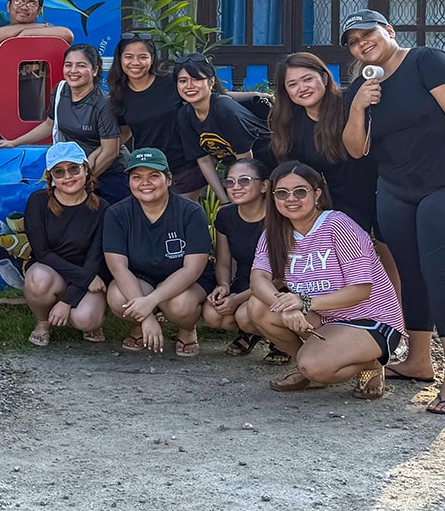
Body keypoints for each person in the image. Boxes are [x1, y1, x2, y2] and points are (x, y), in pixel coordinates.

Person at [341, 9, 445, 415]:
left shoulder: (427, 61)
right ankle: (420, 360)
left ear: (388, 31)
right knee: (409, 271)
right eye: (353, 41)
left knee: (441, 272)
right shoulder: (363, 86)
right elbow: (355, 149)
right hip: (396, 189)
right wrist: (358, 107)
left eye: (367, 34)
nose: (361, 44)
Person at [245, 161, 405, 400]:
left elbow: (361, 291)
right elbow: (258, 279)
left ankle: (369, 363)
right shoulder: (275, 232)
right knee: (258, 307)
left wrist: (304, 303)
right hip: (326, 318)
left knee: (316, 365)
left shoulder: (338, 225)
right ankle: (308, 367)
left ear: (317, 193)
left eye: (300, 191)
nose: (291, 199)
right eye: (282, 193)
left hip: (368, 319)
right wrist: (286, 306)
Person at [271, 51, 394, 289]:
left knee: (390, 260)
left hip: (382, 190)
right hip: (338, 200)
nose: (302, 88)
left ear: (325, 78)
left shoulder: (351, 102)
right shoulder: (290, 124)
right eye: (292, 84)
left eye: (308, 79)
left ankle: (398, 320)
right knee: (346, 265)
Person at [103, 148, 214, 356]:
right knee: (118, 297)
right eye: (137, 177)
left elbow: (193, 269)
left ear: (169, 179)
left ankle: (187, 328)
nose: (145, 183)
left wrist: (150, 301)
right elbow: (118, 267)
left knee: (180, 305)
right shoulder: (117, 213)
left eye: (154, 176)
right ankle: (139, 324)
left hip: (186, 280)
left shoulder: (190, 212)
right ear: (129, 182)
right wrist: (147, 317)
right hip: (142, 278)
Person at [0, 44, 126, 205]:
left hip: (107, 175)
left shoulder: (103, 104)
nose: (73, 71)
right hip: (74, 173)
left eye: (81, 66)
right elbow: (50, 124)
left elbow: (109, 152)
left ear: (95, 70)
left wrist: (83, 183)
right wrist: (14, 142)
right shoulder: (61, 91)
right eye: (68, 65)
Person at [22, 142, 108, 346]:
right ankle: (43, 322)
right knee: (37, 278)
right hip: (58, 273)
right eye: (59, 172)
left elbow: (95, 259)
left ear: (86, 169)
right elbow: (42, 253)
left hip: (89, 274)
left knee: (86, 319)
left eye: (74, 169)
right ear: (51, 178)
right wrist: (86, 279)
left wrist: (67, 301)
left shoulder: (103, 209)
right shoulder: (38, 202)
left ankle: (90, 318)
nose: (67, 176)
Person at [109, 34, 206, 195]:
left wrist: (254, 97)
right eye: (128, 57)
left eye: (142, 57)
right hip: (147, 173)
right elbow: (124, 132)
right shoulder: (119, 94)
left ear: (152, 59)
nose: (135, 63)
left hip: (183, 170)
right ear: (119, 59)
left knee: (182, 219)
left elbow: (206, 99)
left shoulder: (171, 82)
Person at [174, 54, 274, 206]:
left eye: (197, 79)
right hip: (246, 177)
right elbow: (204, 160)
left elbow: (246, 159)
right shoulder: (185, 115)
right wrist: (225, 201)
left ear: (211, 82)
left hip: (272, 170)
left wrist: (246, 201)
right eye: (183, 81)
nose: (189, 86)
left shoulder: (225, 111)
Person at [201, 158, 276, 360]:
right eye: (230, 182)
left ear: (264, 186)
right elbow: (224, 261)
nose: (236, 187)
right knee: (212, 313)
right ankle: (254, 332)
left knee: (244, 315)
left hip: (276, 285)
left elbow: (282, 274)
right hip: (245, 280)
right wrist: (224, 286)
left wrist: (237, 300)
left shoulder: (278, 217)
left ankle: (281, 342)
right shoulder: (226, 216)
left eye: (244, 180)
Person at [0, 0, 73, 53]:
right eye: (18, 2)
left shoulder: (46, 30)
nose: (24, 7)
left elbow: (68, 35)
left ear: (39, 11)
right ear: (8, 6)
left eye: (32, 4)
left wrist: (26, 33)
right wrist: (30, 27)